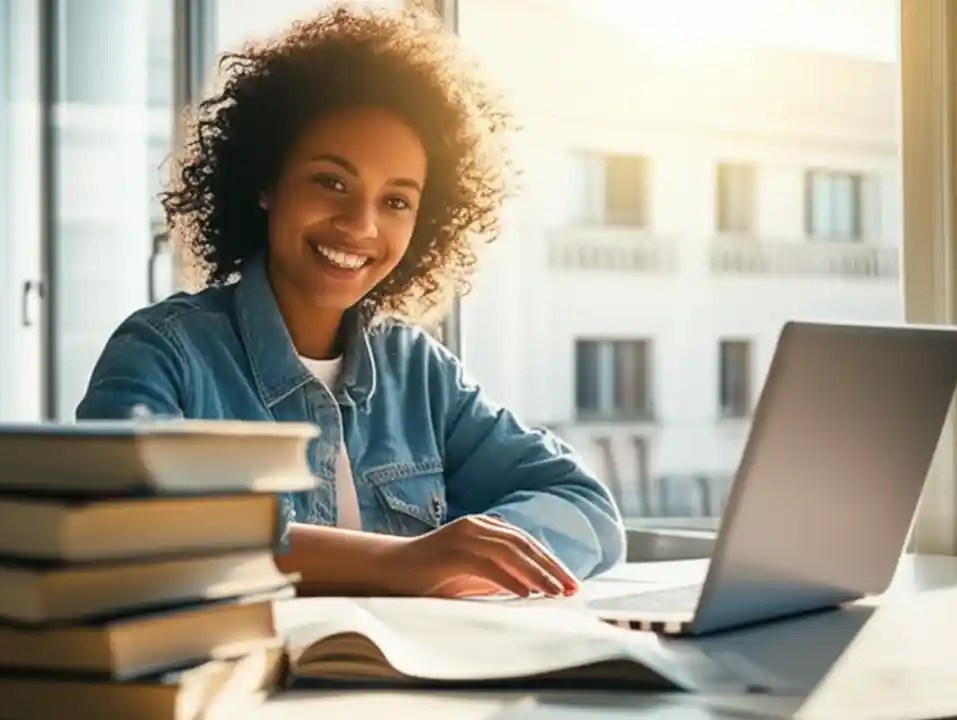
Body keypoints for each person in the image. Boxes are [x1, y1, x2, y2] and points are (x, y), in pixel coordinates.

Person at [77, 4, 624, 599]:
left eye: (396, 202)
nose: (361, 226)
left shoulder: (419, 372)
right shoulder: (164, 353)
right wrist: (401, 562)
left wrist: (473, 559)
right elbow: (131, 522)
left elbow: (585, 509)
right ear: (266, 181)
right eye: (331, 182)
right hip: (237, 683)